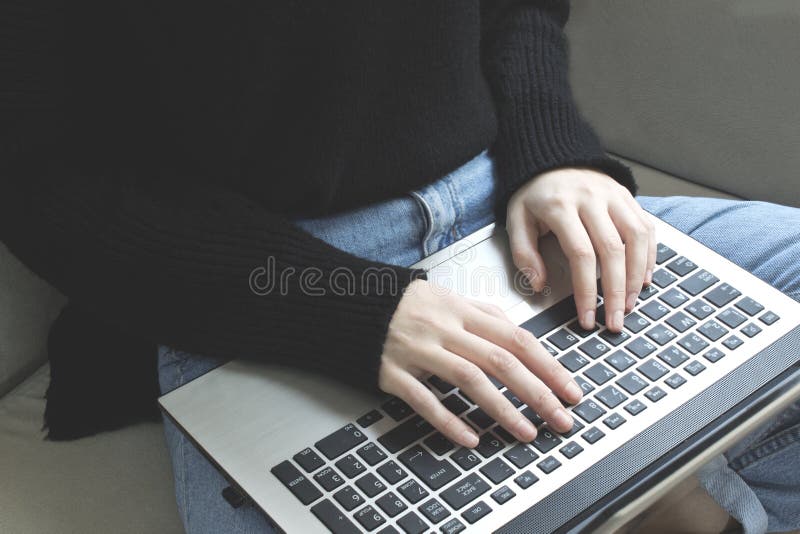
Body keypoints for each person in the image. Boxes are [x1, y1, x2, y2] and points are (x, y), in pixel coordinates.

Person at [1, 1, 797, 533]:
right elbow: (38, 184)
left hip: (505, 195)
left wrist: (552, 153)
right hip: (264, 274)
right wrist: (350, 306)